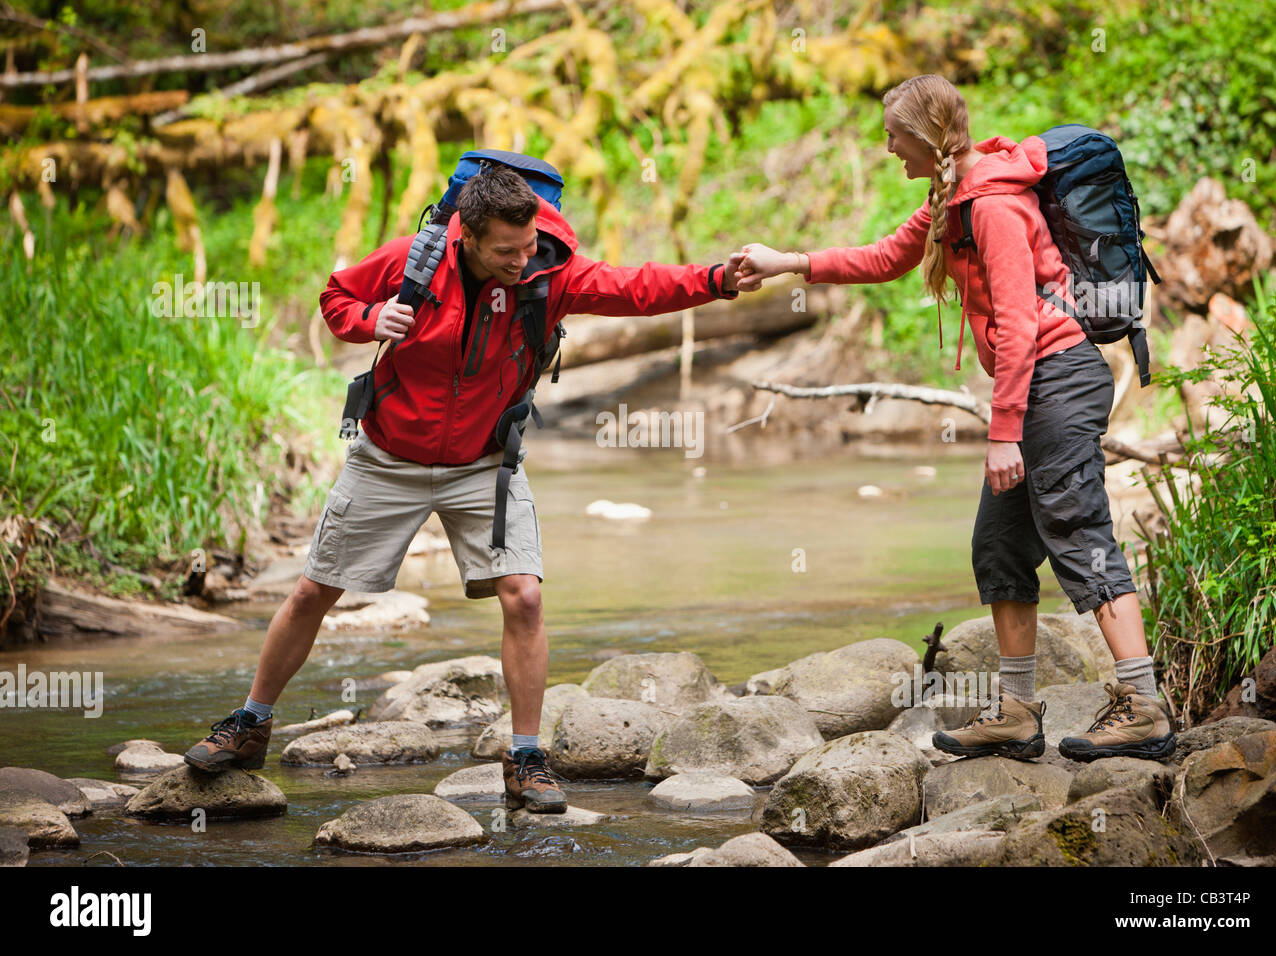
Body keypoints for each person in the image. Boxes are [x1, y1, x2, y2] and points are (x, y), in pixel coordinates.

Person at [185, 164, 745, 810]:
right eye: (507, 251)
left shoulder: (546, 272)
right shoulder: (411, 261)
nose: (522, 258)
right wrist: (372, 319)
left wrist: (716, 280)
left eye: (529, 242)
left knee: (525, 597)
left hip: (485, 463)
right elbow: (336, 299)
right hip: (388, 456)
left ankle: (527, 755)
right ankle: (251, 722)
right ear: (467, 237)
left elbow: (636, 287)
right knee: (314, 588)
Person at [735, 74, 1175, 762]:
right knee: (998, 546)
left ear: (929, 136)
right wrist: (786, 262)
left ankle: (1142, 706)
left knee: (1078, 531)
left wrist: (1003, 434)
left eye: (895, 136)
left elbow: (1022, 325)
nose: (888, 149)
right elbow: (882, 257)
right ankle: (1018, 712)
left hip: (1057, 381)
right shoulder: (951, 200)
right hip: (1033, 388)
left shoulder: (994, 207)